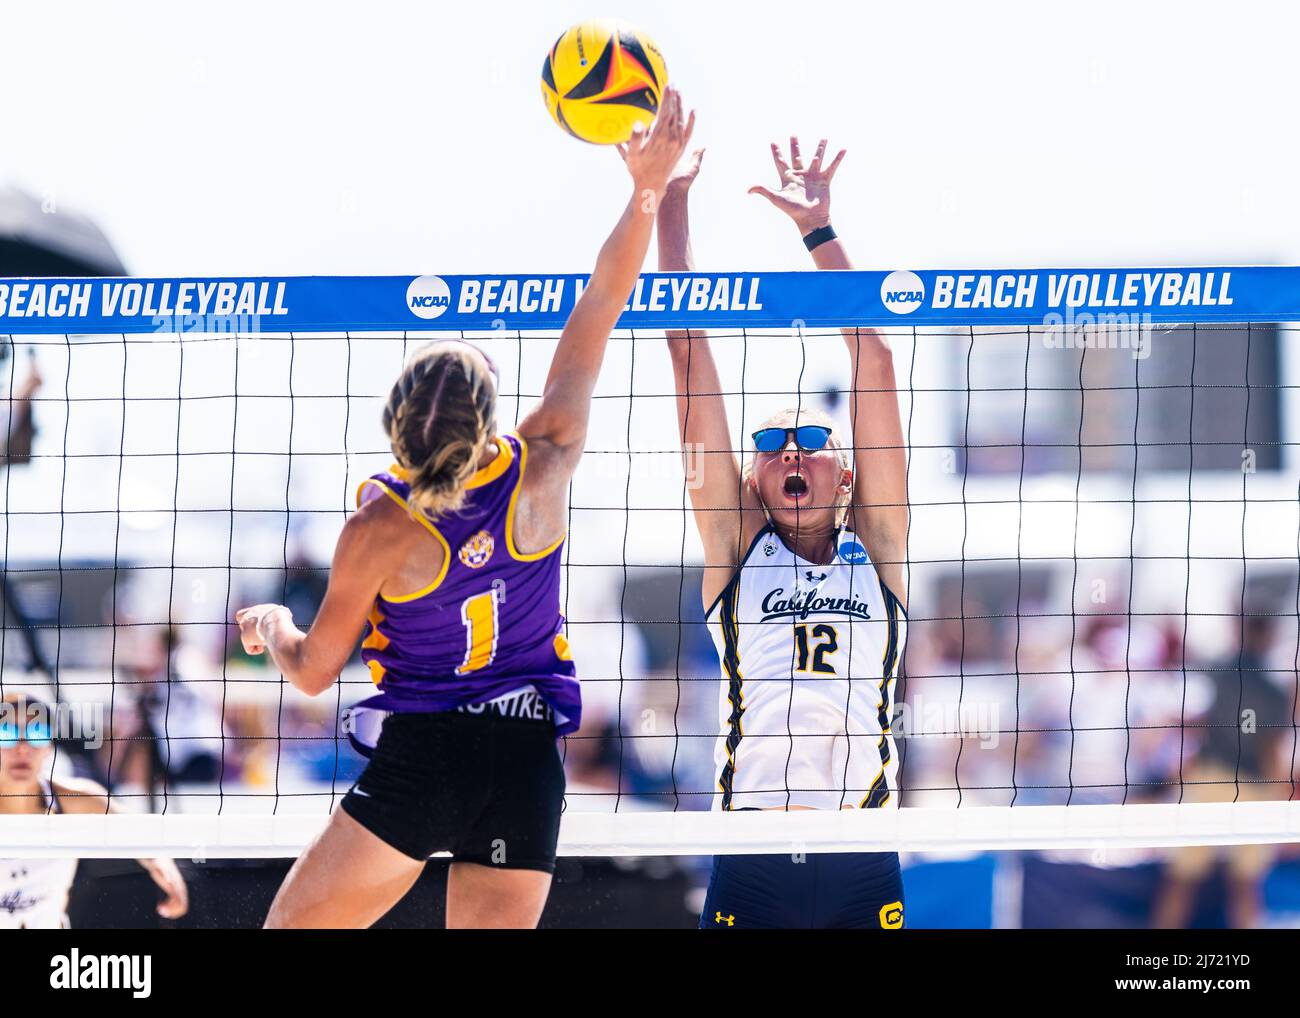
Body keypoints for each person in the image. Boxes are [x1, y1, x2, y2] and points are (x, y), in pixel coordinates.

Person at [235, 90, 695, 929]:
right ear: (488, 422)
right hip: (524, 760)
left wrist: (269, 622)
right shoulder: (544, 460)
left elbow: (309, 675)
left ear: (397, 427)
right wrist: (647, 189)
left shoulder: (380, 527)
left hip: (428, 754)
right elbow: (601, 301)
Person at [658, 138, 910, 929]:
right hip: (754, 855)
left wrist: (818, 233)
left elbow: (873, 353)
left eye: (809, 437)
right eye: (770, 444)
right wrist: (669, 202)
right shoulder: (736, 550)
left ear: (845, 474)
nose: (790, 449)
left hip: (860, 854)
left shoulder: (882, 547)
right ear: (753, 481)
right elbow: (685, 347)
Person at [1151, 613, 1295, 928]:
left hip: (1214, 780)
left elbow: (1188, 719)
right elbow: (1271, 744)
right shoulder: (1269, 687)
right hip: (1243, 784)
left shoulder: (1217, 671)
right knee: (1240, 881)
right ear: (1267, 635)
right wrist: (1280, 793)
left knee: (1185, 878)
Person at [0, 694, 189, 928]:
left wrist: (163, 864)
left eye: (36, 733)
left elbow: (137, 830)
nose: (22, 748)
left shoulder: (74, 800)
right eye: (6, 733)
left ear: (49, 746)